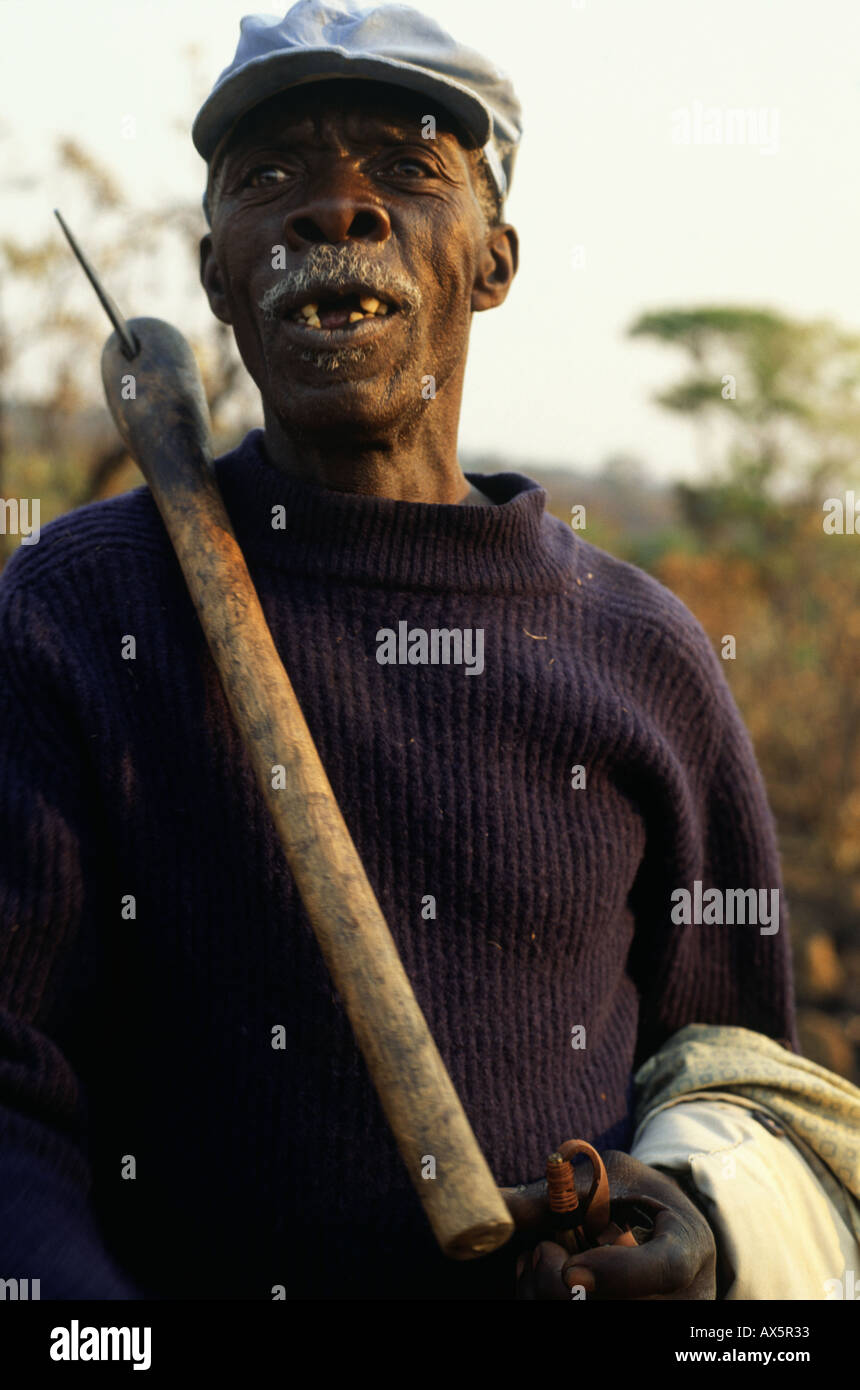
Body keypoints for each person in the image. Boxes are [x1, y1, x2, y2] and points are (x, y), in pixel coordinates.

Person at [0, 1, 798, 1300]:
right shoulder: (78, 611)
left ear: (494, 257)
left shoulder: (644, 655)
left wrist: (703, 1226)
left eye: (407, 168)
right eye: (272, 178)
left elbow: (736, 1082)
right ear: (216, 274)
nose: (334, 210)